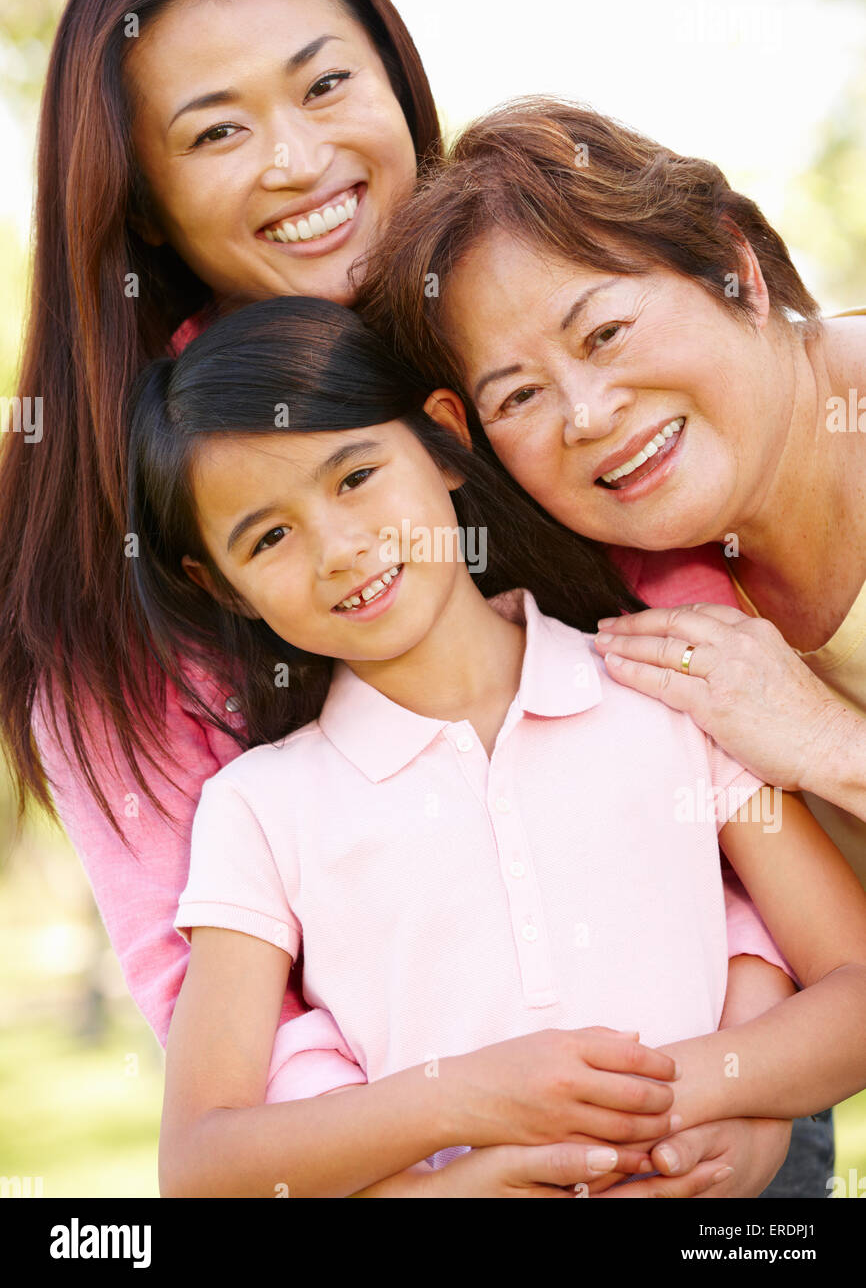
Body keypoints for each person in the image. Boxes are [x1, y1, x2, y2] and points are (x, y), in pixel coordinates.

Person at [0, 0, 797, 1197]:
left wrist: (745, 1067)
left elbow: (709, 723)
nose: (299, 157)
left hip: (710, 1101)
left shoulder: (526, 339)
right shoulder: (119, 547)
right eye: (217, 131)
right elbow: (210, 994)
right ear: (138, 202)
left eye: (327, 85)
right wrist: (462, 1147)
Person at [124, 294, 866, 1198]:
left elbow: (854, 983)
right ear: (224, 586)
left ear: (443, 440)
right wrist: (470, 1106)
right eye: (269, 536)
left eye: (355, 476)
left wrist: (693, 1101)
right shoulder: (260, 808)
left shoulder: (664, 684)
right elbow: (202, 1165)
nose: (339, 549)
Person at [354, 92, 866, 1196]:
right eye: (520, 394)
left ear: (732, 262)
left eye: (604, 331)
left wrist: (826, 742)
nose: (585, 412)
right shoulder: (633, 596)